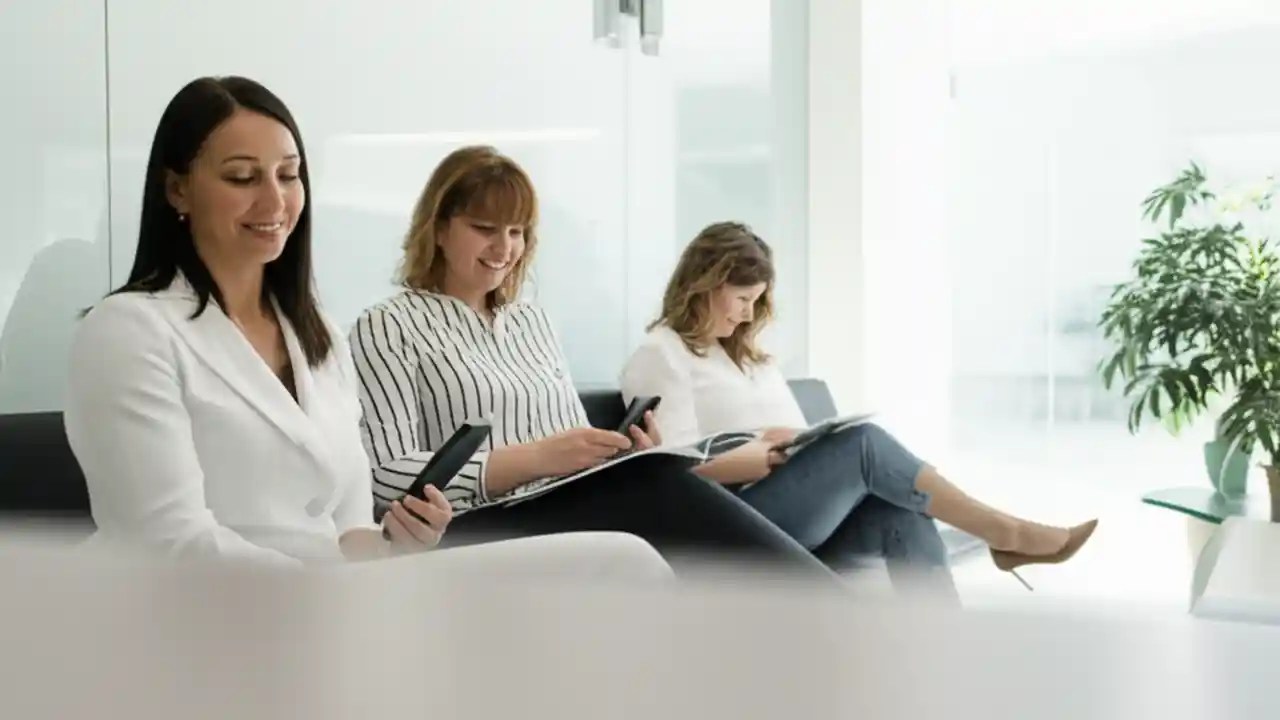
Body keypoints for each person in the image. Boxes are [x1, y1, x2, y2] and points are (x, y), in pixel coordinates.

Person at [64, 75, 670, 580]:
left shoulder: (316, 334)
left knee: (630, 561)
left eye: (289, 174)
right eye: (243, 178)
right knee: (625, 563)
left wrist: (395, 543)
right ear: (178, 188)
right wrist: (337, 596)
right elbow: (168, 541)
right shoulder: (129, 332)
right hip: (221, 615)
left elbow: (350, 526)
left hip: (340, 602)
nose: (275, 203)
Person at [350, 145, 836, 580]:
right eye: (484, 229)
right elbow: (388, 475)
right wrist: (531, 460)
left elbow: (570, 438)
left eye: (517, 232)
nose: (504, 249)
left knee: (656, 475)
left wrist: (620, 451)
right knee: (661, 491)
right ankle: (826, 612)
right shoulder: (386, 325)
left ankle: (807, 620)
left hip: (565, 501)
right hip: (477, 521)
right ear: (438, 229)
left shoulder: (531, 321)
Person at [619, 221, 1098, 591]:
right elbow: (674, 473)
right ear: (705, 284)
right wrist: (761, 453)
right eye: (742, 298)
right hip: (731, 526)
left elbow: (790, 436)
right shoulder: (660, 355)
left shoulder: (749, 359)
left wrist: (794, 445)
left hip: (786, 509)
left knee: (902, 514)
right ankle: (1005, 532)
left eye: (756, 301)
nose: (747, 313)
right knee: (864, 444)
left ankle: (944, 664)